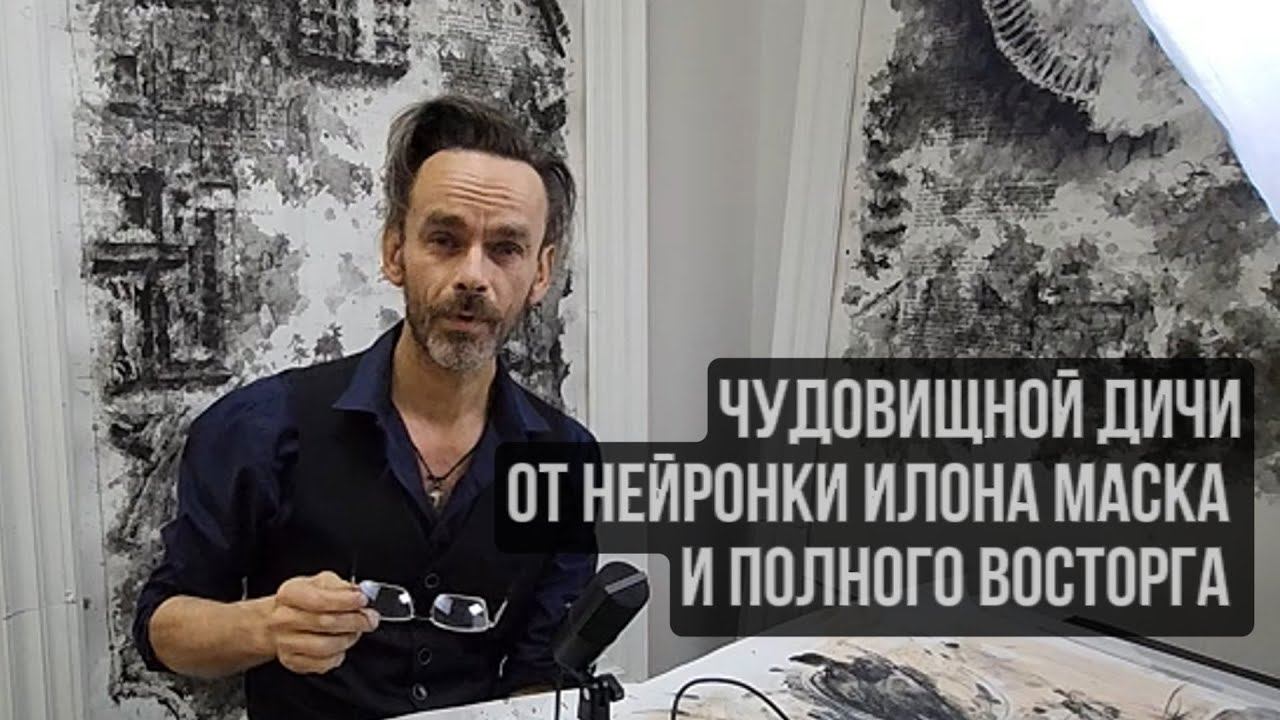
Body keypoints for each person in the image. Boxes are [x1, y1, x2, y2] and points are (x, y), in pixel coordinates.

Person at [132, 94, 598, 719]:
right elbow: (162, 630)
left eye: (506, 248)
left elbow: (542, 671)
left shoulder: (565, 458)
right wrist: (266, 625)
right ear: (394, 251)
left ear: (540, 273)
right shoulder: (260, 427)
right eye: (444, 239)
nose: (473, 275)